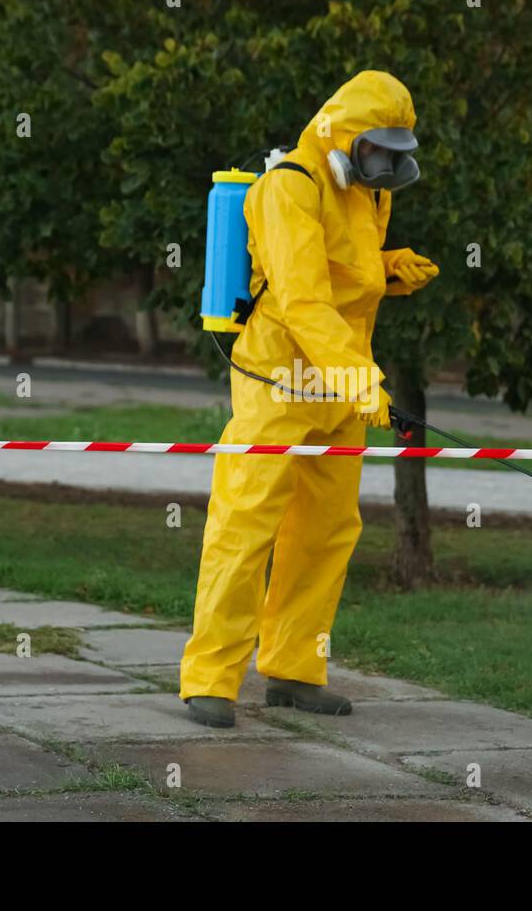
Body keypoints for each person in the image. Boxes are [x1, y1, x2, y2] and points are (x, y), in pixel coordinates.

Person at [180, 70, 440, 727]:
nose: (387, 163)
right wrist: (361, 379)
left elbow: (338, 272)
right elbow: (300, 298)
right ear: (341, 134)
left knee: (325, 533)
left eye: (395, 151)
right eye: (377, 147)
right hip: (277, 385)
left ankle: (295, 668)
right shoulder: (287, 187)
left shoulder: (366, 195)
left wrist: (387, 269)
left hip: (337, 390)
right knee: (246, 528)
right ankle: (210, 677)